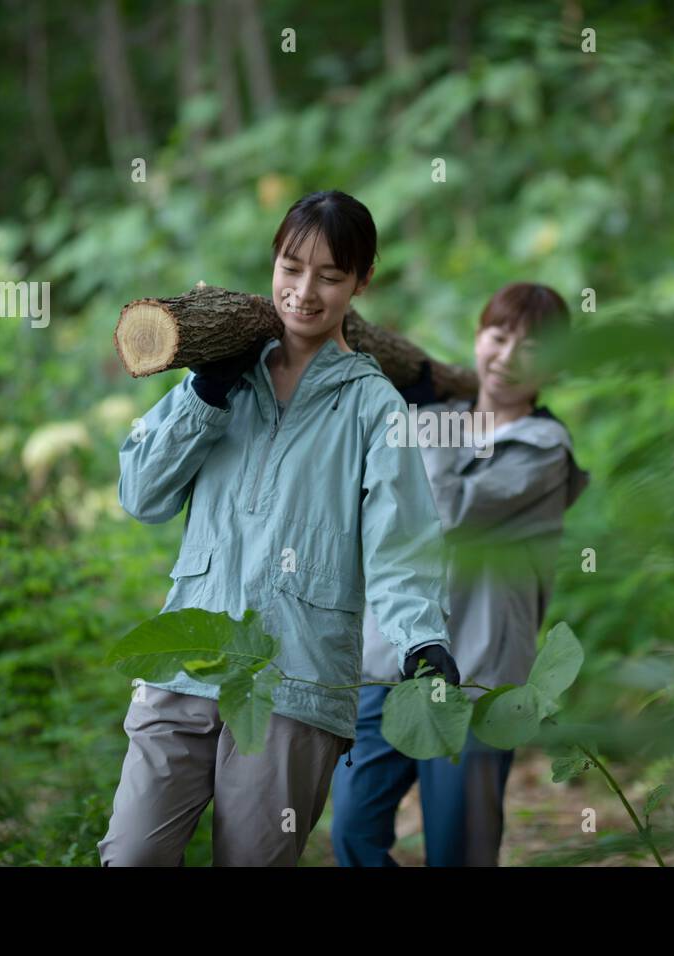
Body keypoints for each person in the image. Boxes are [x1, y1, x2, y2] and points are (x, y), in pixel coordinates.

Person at [99, 190, 459, 866]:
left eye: (330, 275)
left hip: (298, 678)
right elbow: (142, 495)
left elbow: (400, 539)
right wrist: (203, 397)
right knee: (131, 855)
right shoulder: (220, 369)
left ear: (361, 282)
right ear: (274, 263)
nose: (305, 291)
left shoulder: (372, 404)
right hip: (188, 659)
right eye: (292, 268)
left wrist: (422, 638)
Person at [331, 282, 590, 866]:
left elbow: (447, 513)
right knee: (351, 829)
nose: (507, 357)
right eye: (499, 337)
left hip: (475, 675)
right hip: (390, 660)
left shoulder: (545, 448)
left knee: (459, 850)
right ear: (478, 338)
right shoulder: (432, 415)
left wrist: (427, 422)